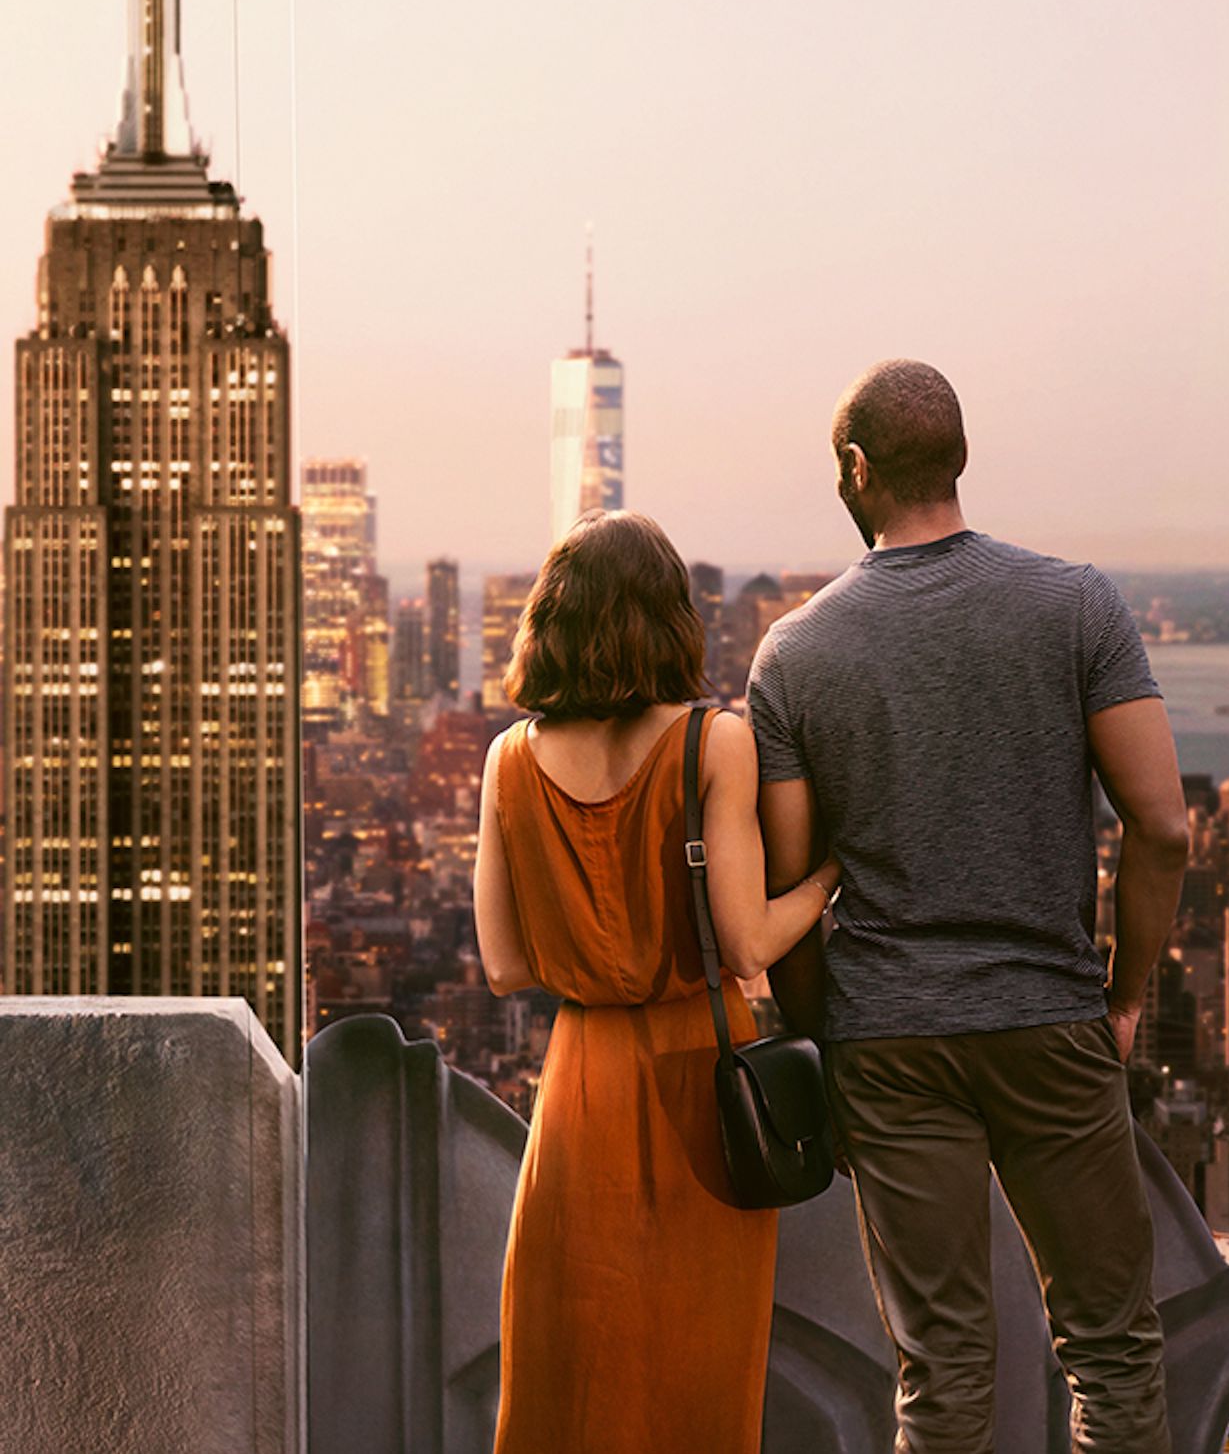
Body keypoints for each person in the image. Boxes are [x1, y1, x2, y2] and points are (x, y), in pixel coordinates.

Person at [747, 359, 1189, 1454]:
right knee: (1111, 1350)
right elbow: (1166, 827)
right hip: (1050, 1016)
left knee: (939, 1374)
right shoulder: (1075, 602)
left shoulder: (794, 653)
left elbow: (793, 887)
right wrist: (1123, 998)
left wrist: (824, 1045)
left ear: (857, 467)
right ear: (957, 456)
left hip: (889, 1037)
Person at [472, 508, 842, 1454]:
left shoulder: (508, 760)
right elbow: (749, 942)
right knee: (694, 1380)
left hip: (577, 1090)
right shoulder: (714, 741)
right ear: (670, 617)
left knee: (573, 1377)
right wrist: (832, 876)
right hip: (700, 1080)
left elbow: (506, 964)